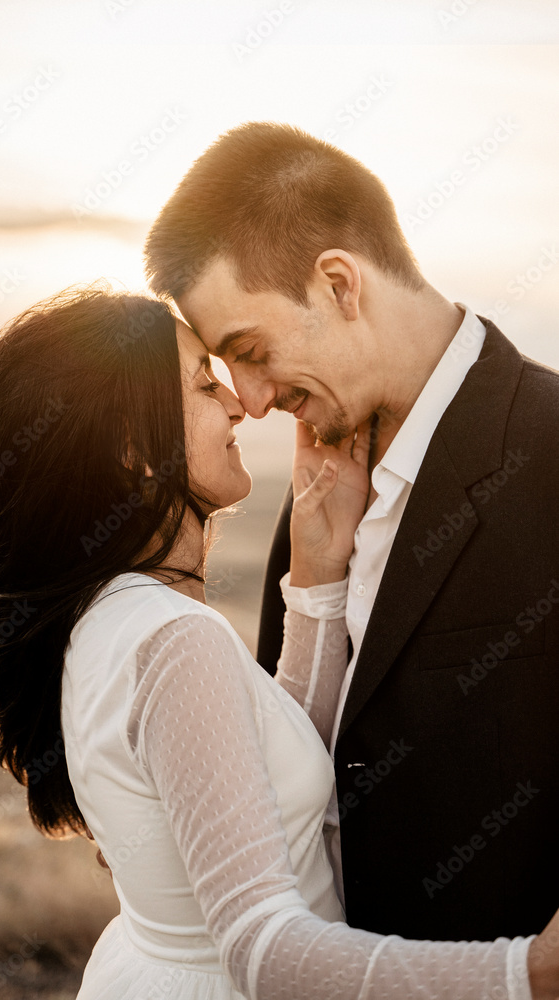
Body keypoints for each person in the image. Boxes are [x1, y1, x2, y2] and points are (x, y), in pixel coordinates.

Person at [0, 284, 559, 999]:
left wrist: (313, 581)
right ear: (133, 448)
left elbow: (257, 773)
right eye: (202, 383)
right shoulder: (174, 640)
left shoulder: (98, 614)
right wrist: (525, 973)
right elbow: (267, 955)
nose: (237, 404)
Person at [144, 120, 559, 944]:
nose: (253, 401)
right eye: (229, 371)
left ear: (339, 283)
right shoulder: (315, 499)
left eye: (252, 350)